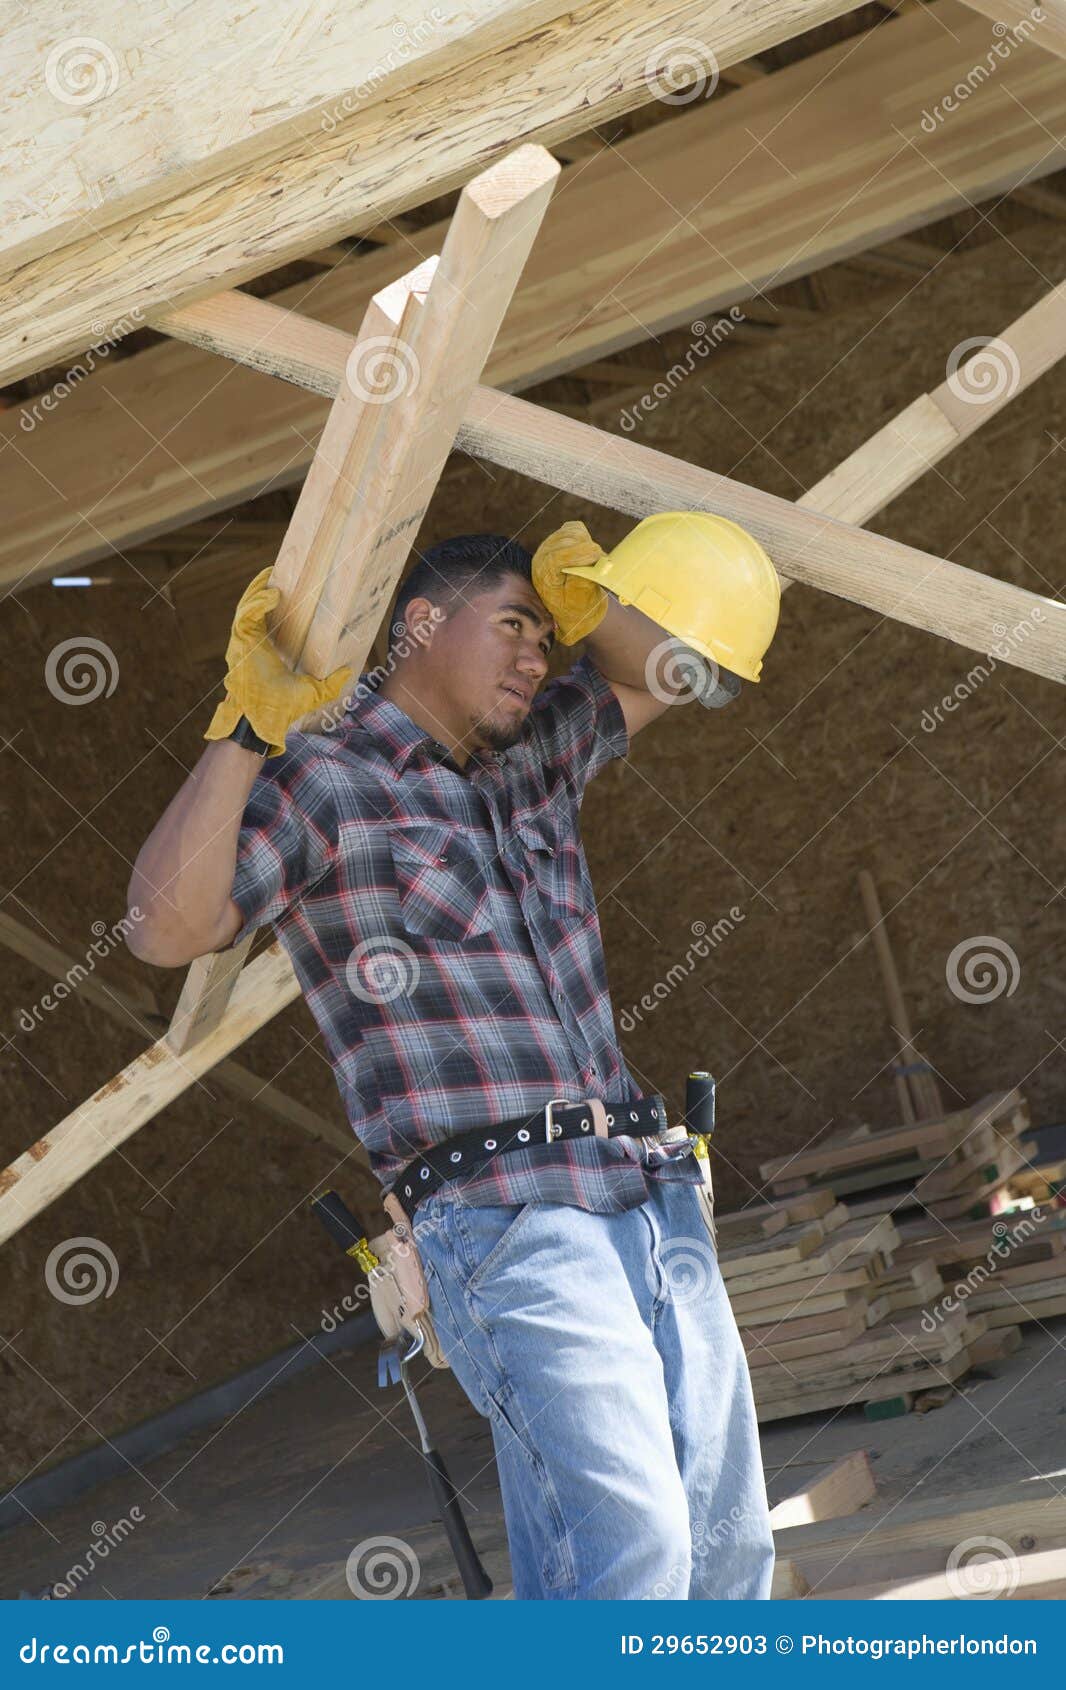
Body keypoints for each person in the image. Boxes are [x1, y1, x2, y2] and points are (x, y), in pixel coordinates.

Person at [127, 517, 780, 1601]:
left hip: (647, 1196)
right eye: (516, 625)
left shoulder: (536, 756)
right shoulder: (326, 783)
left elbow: (684, 668)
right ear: (423, 622)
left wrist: (593, 597)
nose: (540, 656)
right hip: (509, 1220)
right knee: (636, 1554)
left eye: (548, 632)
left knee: (724, 1551)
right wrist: (244, 730)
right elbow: (162, 926)